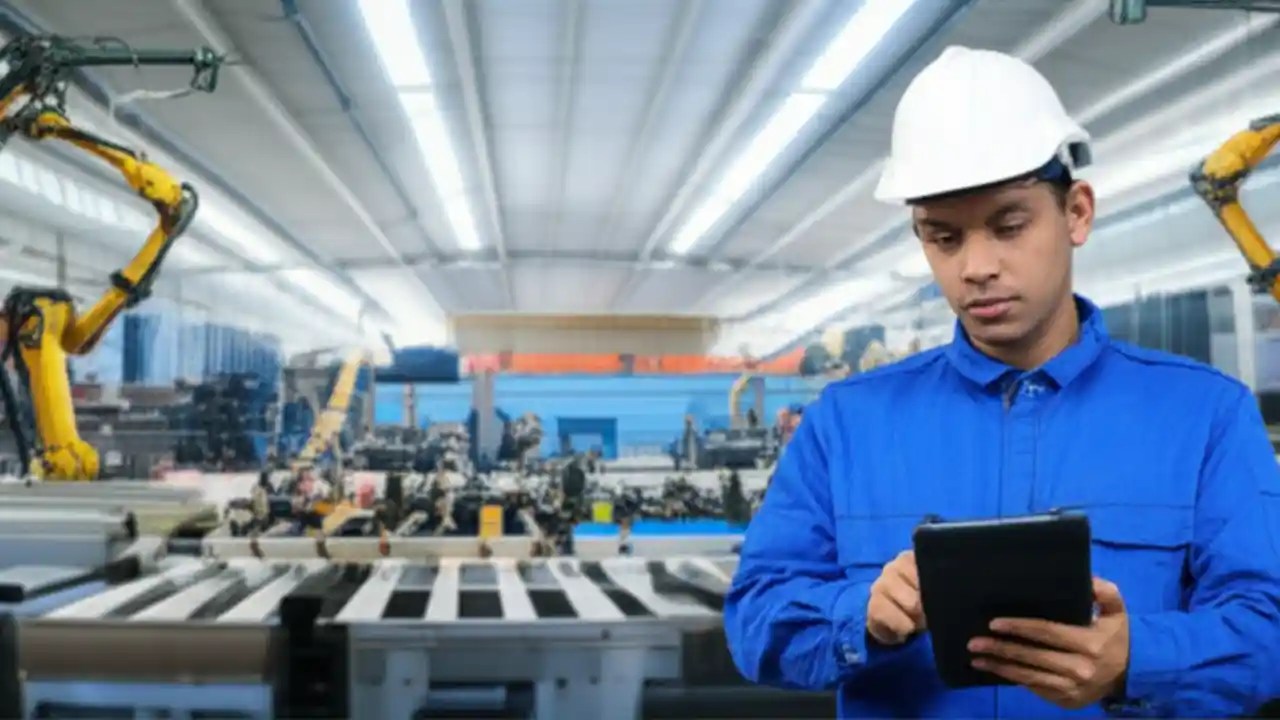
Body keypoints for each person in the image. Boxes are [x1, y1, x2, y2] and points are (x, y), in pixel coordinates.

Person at [723, 45, 1280, 718]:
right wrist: (858, 612)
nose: (976, 266)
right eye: (944, 238)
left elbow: (1266, 624)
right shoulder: (846, 424)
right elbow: (755, 618)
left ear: (1076, 212)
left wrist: (1138, 657)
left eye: (1009, 226)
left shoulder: (1204, 416)